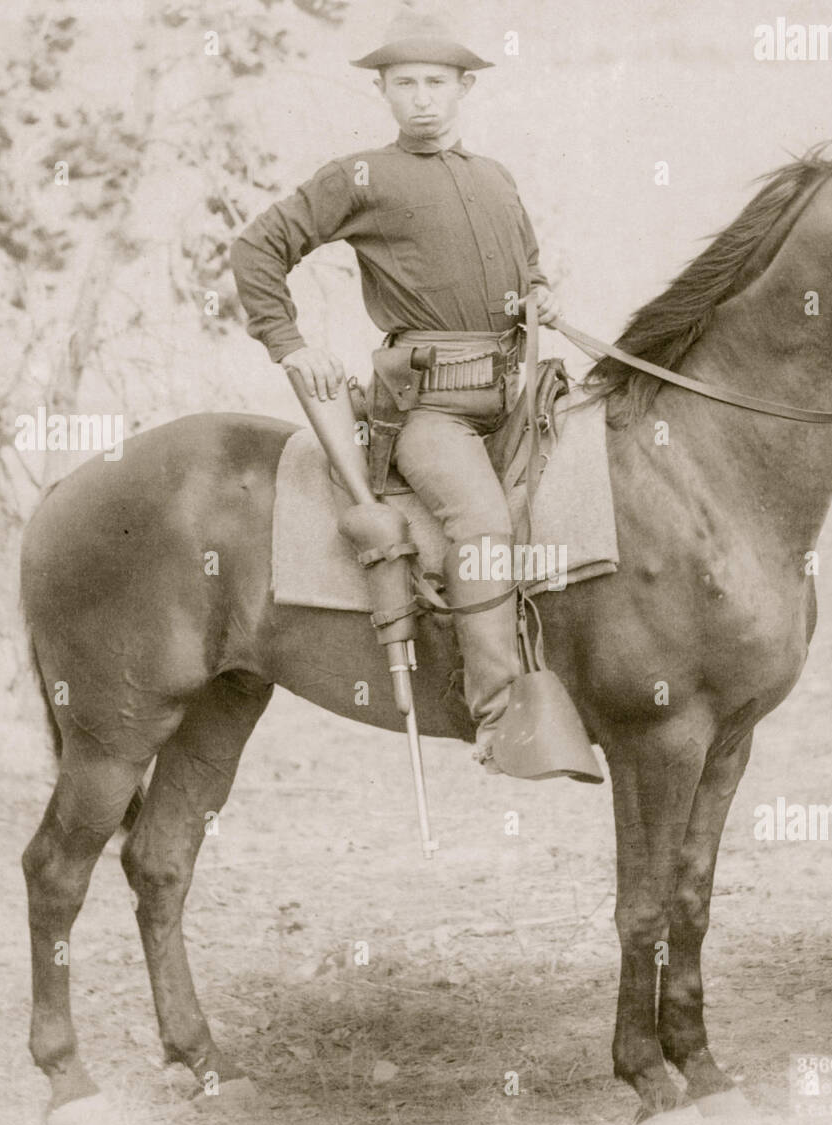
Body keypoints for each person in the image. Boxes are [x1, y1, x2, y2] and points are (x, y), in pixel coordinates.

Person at [231, 9, 584, 778]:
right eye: (405, 84)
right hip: (429, 414)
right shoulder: (360, 177)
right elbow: (258, 247)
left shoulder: (495, 177)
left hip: (519, 400)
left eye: (436, 83)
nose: (422, 98)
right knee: (482, 520)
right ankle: (498, 716)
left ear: (463, 88)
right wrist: (291, 346)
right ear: (385, 92)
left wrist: (542, 295)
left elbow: (527, 265)